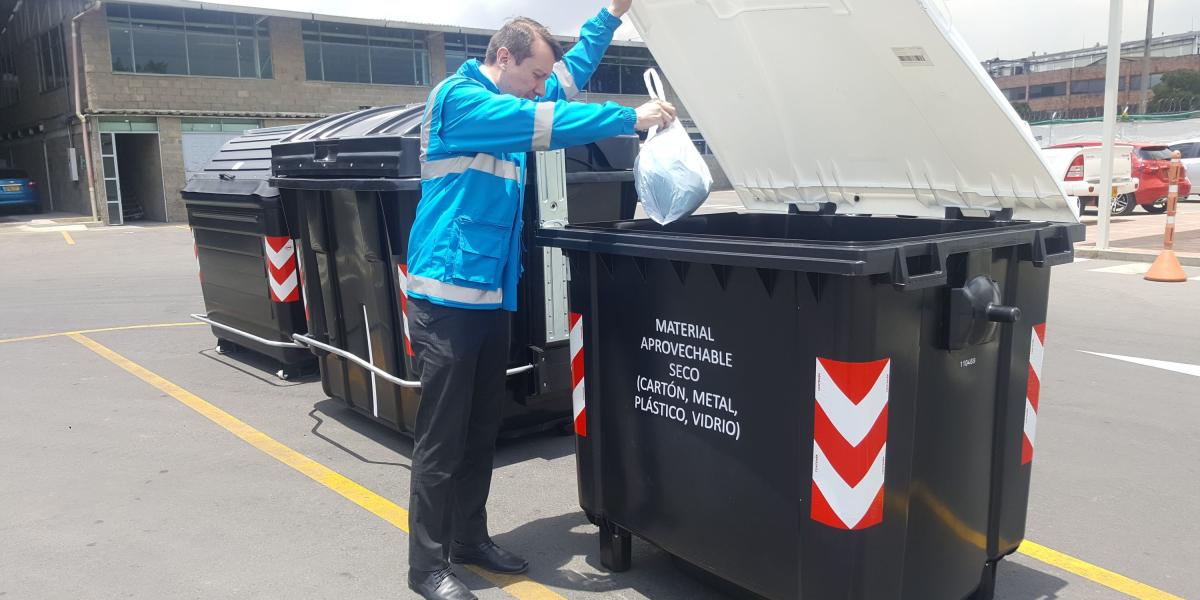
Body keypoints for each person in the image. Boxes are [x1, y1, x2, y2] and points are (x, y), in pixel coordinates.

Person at [404, 2, 675, 599]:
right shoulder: (461, 101)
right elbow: (547, 120)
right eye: (532, 76)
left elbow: (568, 75)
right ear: (503, 56)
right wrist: (625, 117)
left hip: (490, 295)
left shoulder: (514, 89)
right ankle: (426, 567)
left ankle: (468, 540)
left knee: (480, 433)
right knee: (442, 440)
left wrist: (610, 14)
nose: (540, 87)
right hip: (446, 298)